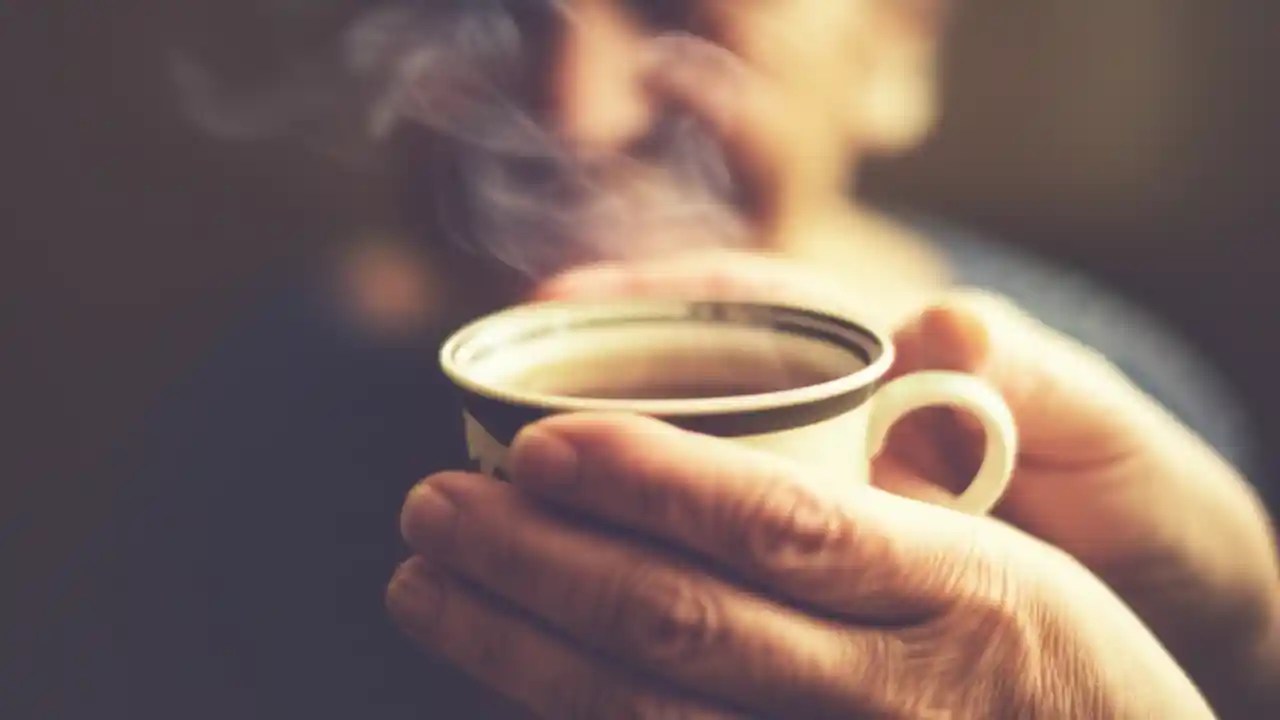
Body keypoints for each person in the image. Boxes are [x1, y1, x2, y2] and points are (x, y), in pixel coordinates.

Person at [34, 0, 1276, 717]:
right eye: (480, 14)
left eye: (679, 12)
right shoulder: (268, 405)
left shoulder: (1111, 446)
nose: (576, 110)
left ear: (898, 47)